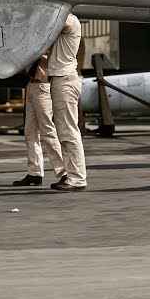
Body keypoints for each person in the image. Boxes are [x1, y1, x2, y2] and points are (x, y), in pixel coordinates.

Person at [13, 51, 67, 186]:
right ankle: (34, 173)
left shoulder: (47, 41)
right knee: (29, 132)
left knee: (47, 131)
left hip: (42, 85)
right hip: (31, 84)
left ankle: (64, 172)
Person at [48, 14, 87, 192]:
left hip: (65, 79)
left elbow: (51, 22)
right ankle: (73, 176)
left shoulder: (69, 20)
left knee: (69, 130)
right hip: (61, 79)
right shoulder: (66, 19)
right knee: (65, 131)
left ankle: (77, 179)